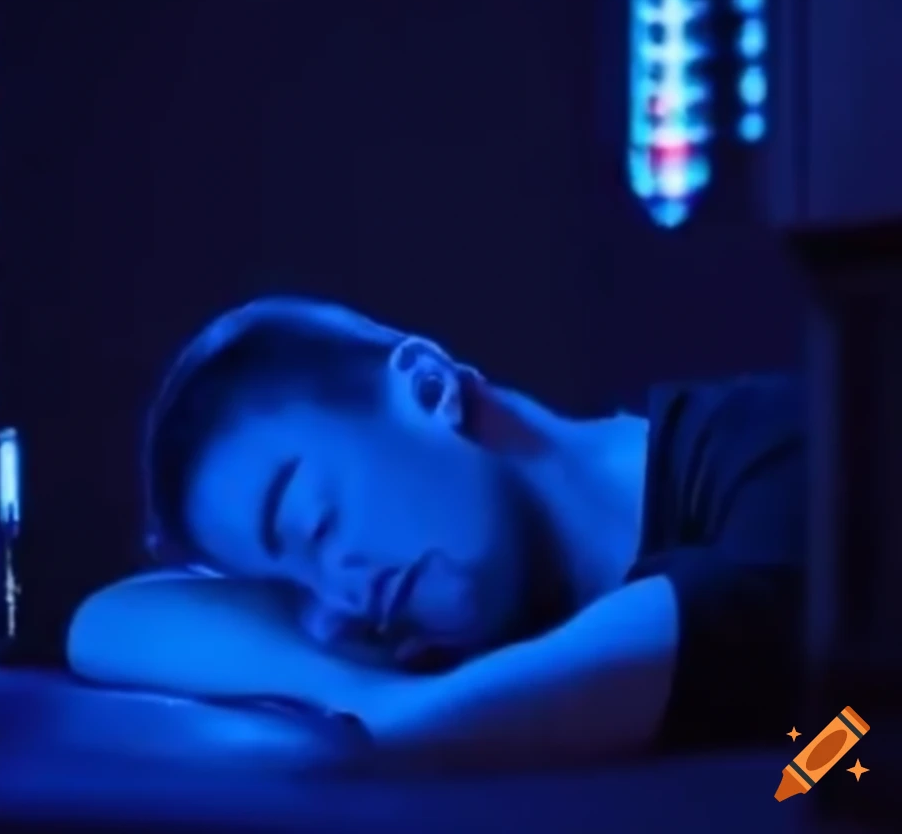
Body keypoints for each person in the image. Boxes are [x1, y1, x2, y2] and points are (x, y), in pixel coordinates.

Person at [67, 297, 805, 769]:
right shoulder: (452, 622)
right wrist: (340, 679)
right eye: (293, 594)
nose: (337, 607)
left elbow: (834, 735)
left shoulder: (790, 456)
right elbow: (109, 619)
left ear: (429, 387)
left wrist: (387, 713)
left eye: (313, 525)